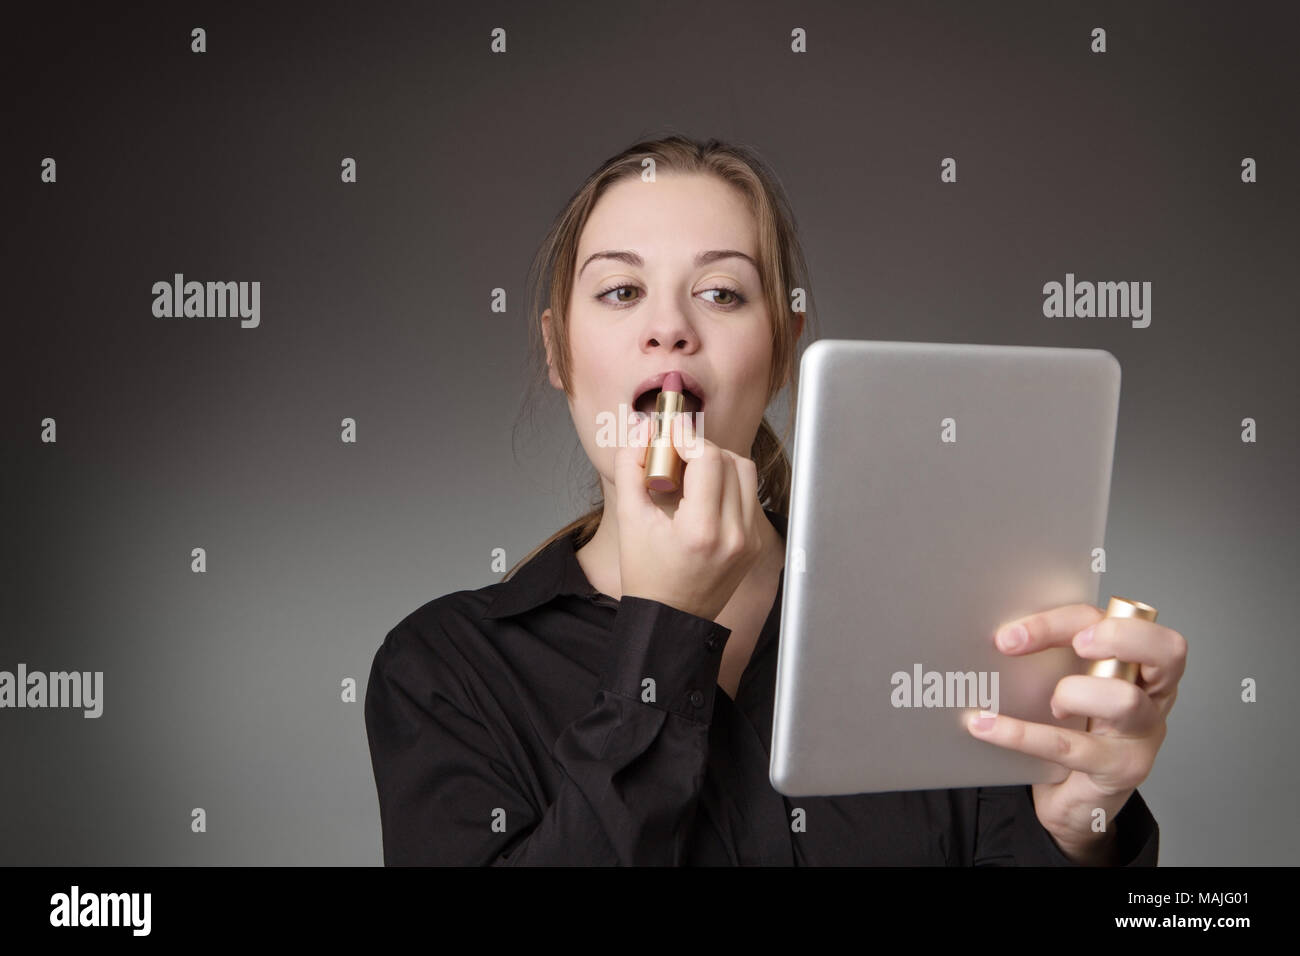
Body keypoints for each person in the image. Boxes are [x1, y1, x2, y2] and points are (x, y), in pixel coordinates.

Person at [364, 134, 1183, 865]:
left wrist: (1078, 833)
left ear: (784, 352)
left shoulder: (935, 634)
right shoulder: (444, 669)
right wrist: (664, 627)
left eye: (721, 293)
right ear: (557, 350)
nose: (670, 330)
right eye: (620, 292)